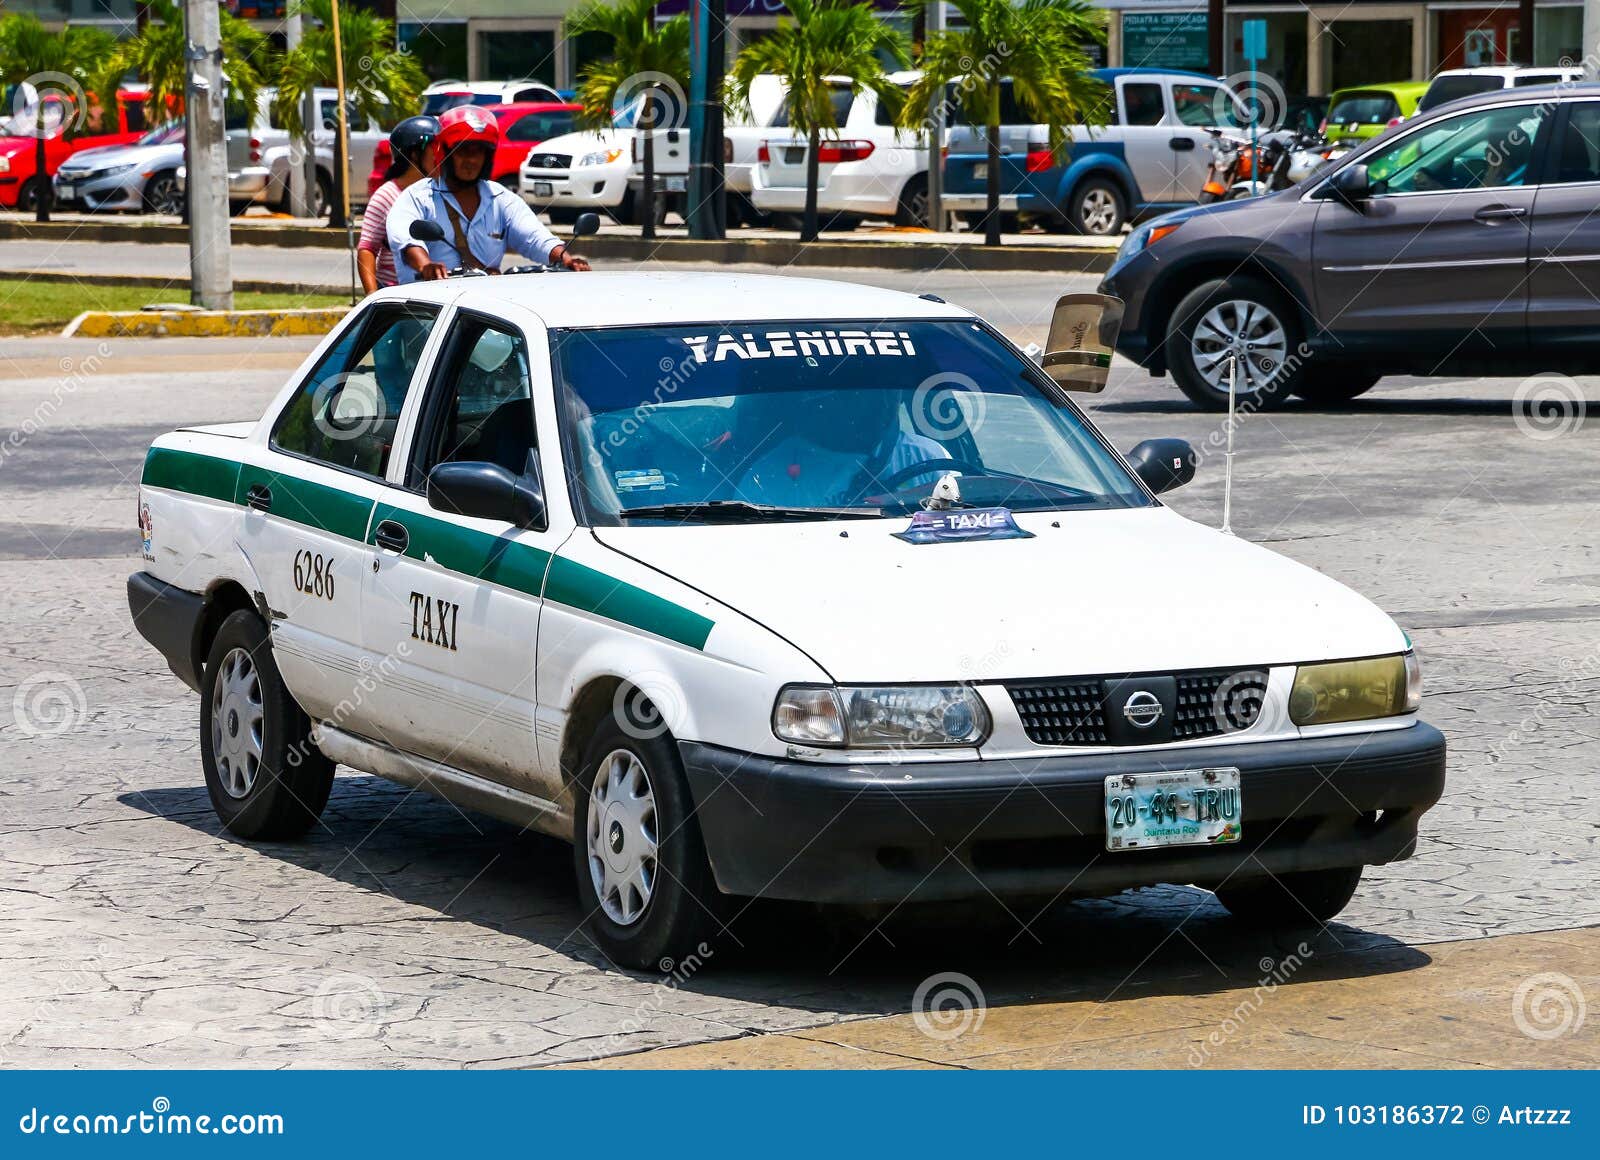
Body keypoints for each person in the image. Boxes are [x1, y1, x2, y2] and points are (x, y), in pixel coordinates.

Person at [386, 105, 590, 281]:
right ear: (445, 153)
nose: (472, 160)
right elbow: (406, 241)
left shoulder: (501, 199)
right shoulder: (415, 199)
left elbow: (534, 237)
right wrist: (426, 266)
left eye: (479, 152)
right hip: (426, 311)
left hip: (482, 310)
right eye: (463, 151)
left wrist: (565, 258)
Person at [733, 388, 944, 507]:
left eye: (891, 391)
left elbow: (963, 513)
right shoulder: (771, 472)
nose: (884, 404)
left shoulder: (928, 456)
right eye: (870, 393)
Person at [358, 114, 439, 294]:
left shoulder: (441, 191)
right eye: (434, 148)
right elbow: (367, 249)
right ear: (414, 154)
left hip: (438, 290)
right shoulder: (387, 195)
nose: (440, 154)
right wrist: (373, 296)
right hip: (398, 294)